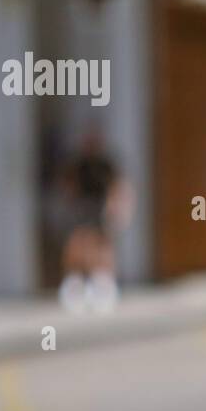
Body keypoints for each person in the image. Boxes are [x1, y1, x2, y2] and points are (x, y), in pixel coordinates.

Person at [58, 128, 131, 313]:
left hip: (100, 209)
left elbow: (118, 186)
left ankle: (103, 287)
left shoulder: (106, 164)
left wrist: (118, 209)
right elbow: (68, 186)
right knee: (78, 245)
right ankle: (76, 287)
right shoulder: (79, 164)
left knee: (101, 247)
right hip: (81, 210)